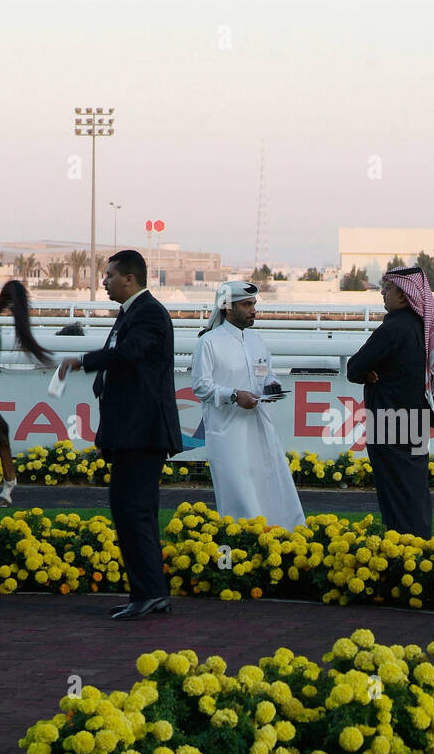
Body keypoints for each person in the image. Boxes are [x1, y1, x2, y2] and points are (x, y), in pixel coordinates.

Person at [57, 249, 181, 620]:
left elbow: (131, 352)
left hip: (142, 433)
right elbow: (123, 356)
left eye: (109, 275)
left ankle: (148, 594)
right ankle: (148, 593)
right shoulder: (130, 314)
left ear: (130, 278)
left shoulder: (150, 314)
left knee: (133, 511)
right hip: (130, 431)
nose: (104, 281)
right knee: (133, 511)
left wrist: (83, 362)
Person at [191, 280, 305, 529]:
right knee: (238, 490)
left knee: (270, 481)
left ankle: (279, 536)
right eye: (246, 304)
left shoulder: (256, 340)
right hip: (227, 430)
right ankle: (242, 543)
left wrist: (271, 385)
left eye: (254, 304)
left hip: (259, 426)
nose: (253, 310)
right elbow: (201, 386)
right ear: (227, 308)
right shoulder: (209, 342)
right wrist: (234, 395)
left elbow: (267, 373)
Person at [345, 266, 434, 538]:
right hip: (415, 419)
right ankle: (421, 544)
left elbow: (354, 368)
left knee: (395, 494)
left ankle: (404, 550)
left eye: (388, 288)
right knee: (414, 489)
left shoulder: (393, 327)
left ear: (404, 296)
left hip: (389, 422)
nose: (382, 293)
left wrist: (365, 372)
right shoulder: (420, 326)